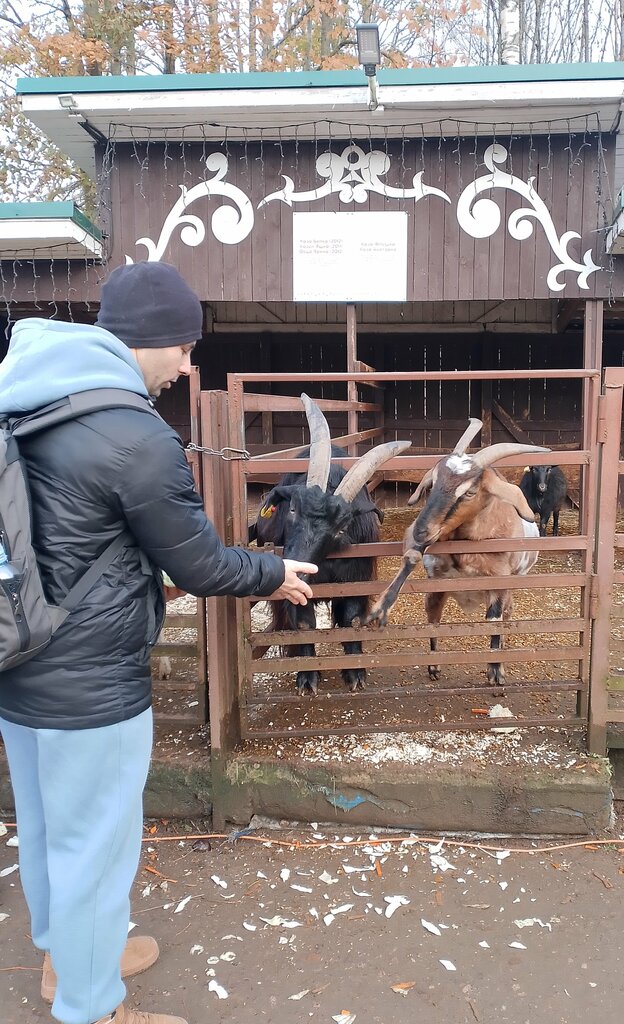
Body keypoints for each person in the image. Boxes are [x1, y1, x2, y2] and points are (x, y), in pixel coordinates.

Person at [0, 261, 317, 1024]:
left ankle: (68, 960)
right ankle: (90, 1007)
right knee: (96, 847)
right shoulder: (133, 434)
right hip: (93, 682)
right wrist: (273, 573)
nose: (186, 364)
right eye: (184, 345)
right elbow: (199, 565)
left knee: (47, 829)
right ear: (150, 338)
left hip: (17, 656)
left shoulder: (22, 401)